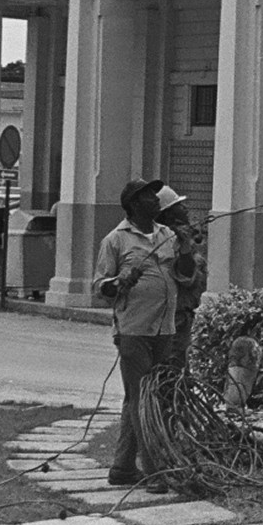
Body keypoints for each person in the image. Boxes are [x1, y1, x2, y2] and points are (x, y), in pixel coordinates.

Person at [94, 178, 187, 487]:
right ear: (134, 204)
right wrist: (120, 281)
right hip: (133, 329)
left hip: (165, 328)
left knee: (142, 396)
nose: (156, 199)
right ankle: (154, 470)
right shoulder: (115, 240)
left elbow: (184, 274)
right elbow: (100, 288)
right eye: (148, 195)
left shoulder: (167, 235)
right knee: (144, 399)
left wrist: (186, 248)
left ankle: (122, 468)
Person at [155, 184, 207, 367]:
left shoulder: (179, 237)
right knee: (173, 365)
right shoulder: (170, 240)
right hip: (174, 315)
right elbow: (185, 276)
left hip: (182, 315)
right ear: (169, 214)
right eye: (179, 206)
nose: (185, 209)